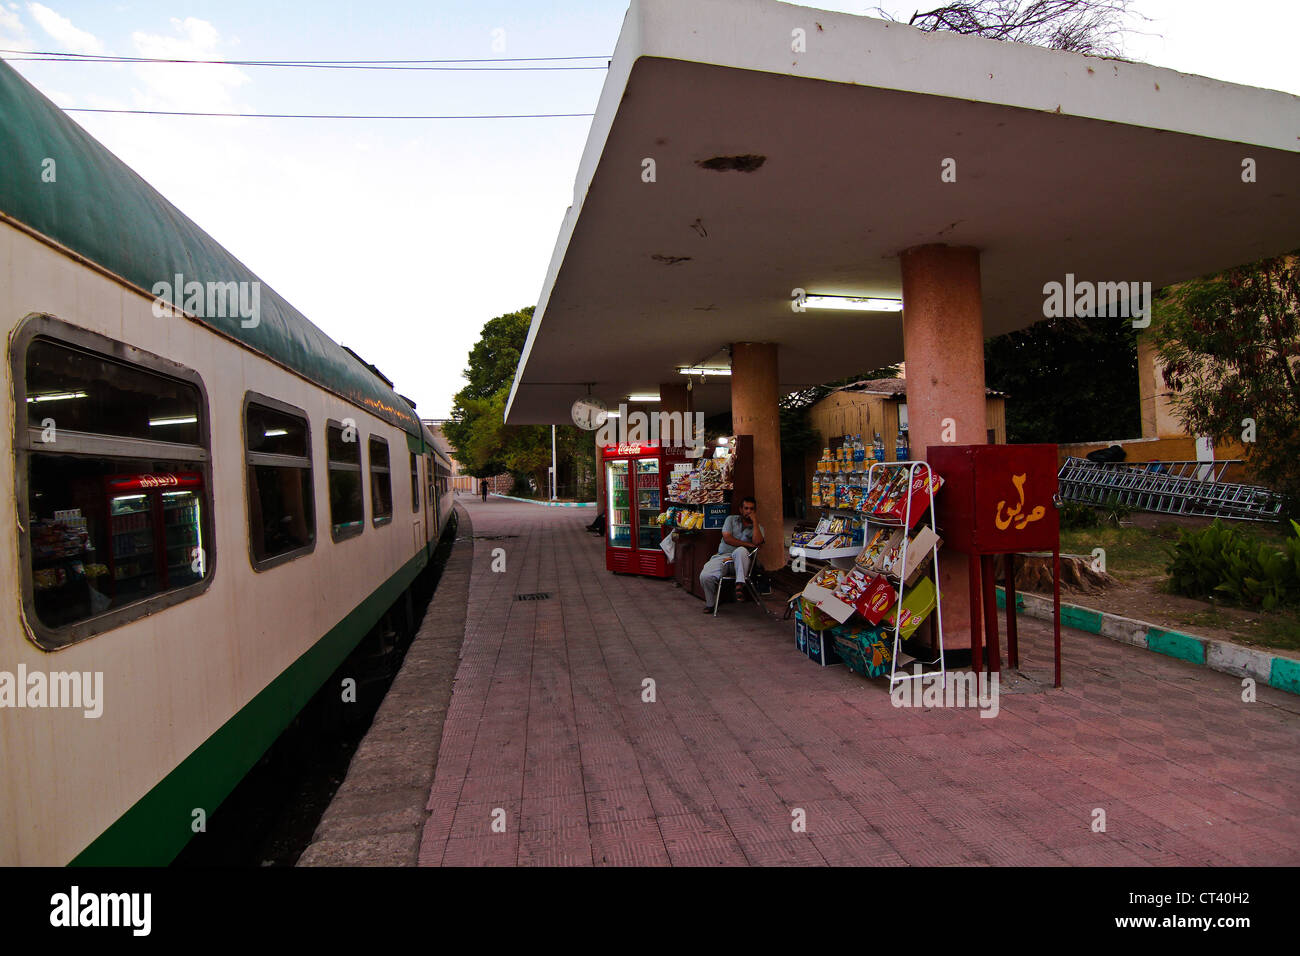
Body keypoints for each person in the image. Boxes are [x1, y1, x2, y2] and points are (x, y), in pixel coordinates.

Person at [699, 496, 765, 613]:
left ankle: (739, 584)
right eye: (746, 508)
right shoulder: (731, 520)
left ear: (755, 511)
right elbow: (728, 538)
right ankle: (710, 604)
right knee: (705, 576)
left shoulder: (758, 528)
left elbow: (758, 542)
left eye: (751, 509)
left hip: (742, 561)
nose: (748, 511)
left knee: (740, 550)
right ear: (741, 509)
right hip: (723, 557)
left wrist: (755, 522)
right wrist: (748, 544)